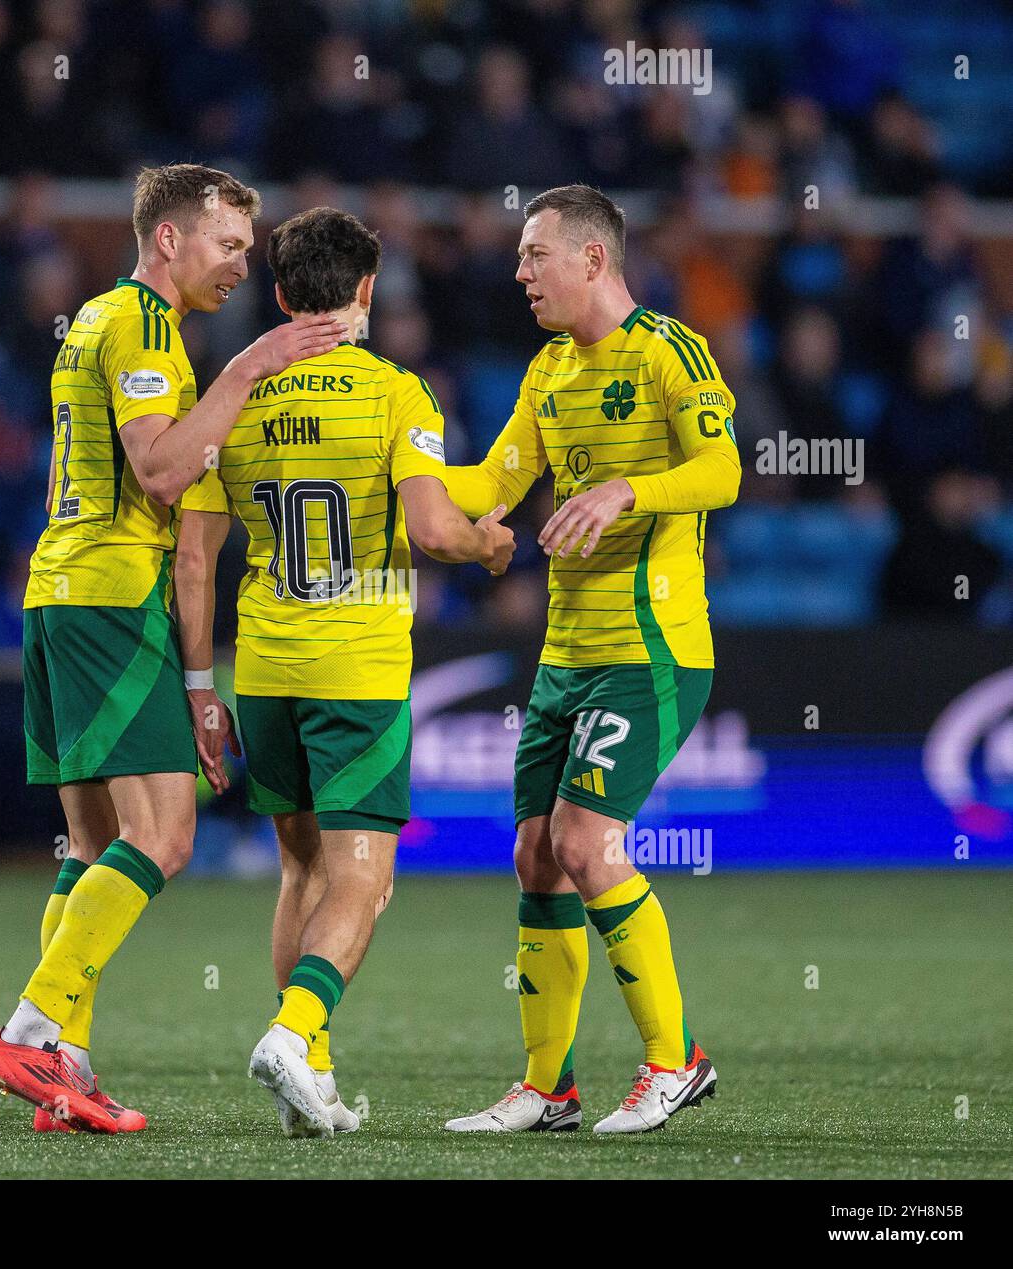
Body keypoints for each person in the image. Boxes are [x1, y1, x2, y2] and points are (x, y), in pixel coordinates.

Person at [0, 164, 346, 1134]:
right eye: (227, 245)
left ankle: (65, 1063)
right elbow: (163, 466)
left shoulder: (103, 324)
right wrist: (249, 369)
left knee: (92, 845)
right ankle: (27, 1031)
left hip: (58, 594)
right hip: (107, 594)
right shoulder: (141, 325)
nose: (240, 265)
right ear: (168, 240)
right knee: (164, 836)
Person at [174, 207, 515, 1136]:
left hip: (267, 667)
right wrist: (488, 547)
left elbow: (195, 559)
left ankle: (312, 1076)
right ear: (367, 291)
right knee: (364, 877)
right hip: (356, 665)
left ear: (282, 295)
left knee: (299, 865)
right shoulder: (396, 392)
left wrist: (202, 688)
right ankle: (294, 1030)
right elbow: (436, 529)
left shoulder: (232, 397)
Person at [441, 184, 739, 1135]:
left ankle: (676, 1059)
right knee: (536, 855)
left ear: (594, 260)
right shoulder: (547, 373)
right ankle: (548, 1088)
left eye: (535, 255)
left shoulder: (668, 350)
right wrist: (396, 466)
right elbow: (492, 481)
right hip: (565, 654)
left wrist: (626, 489)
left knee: (583, 842)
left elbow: (724, 469)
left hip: (650, 647)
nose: (520, 271)